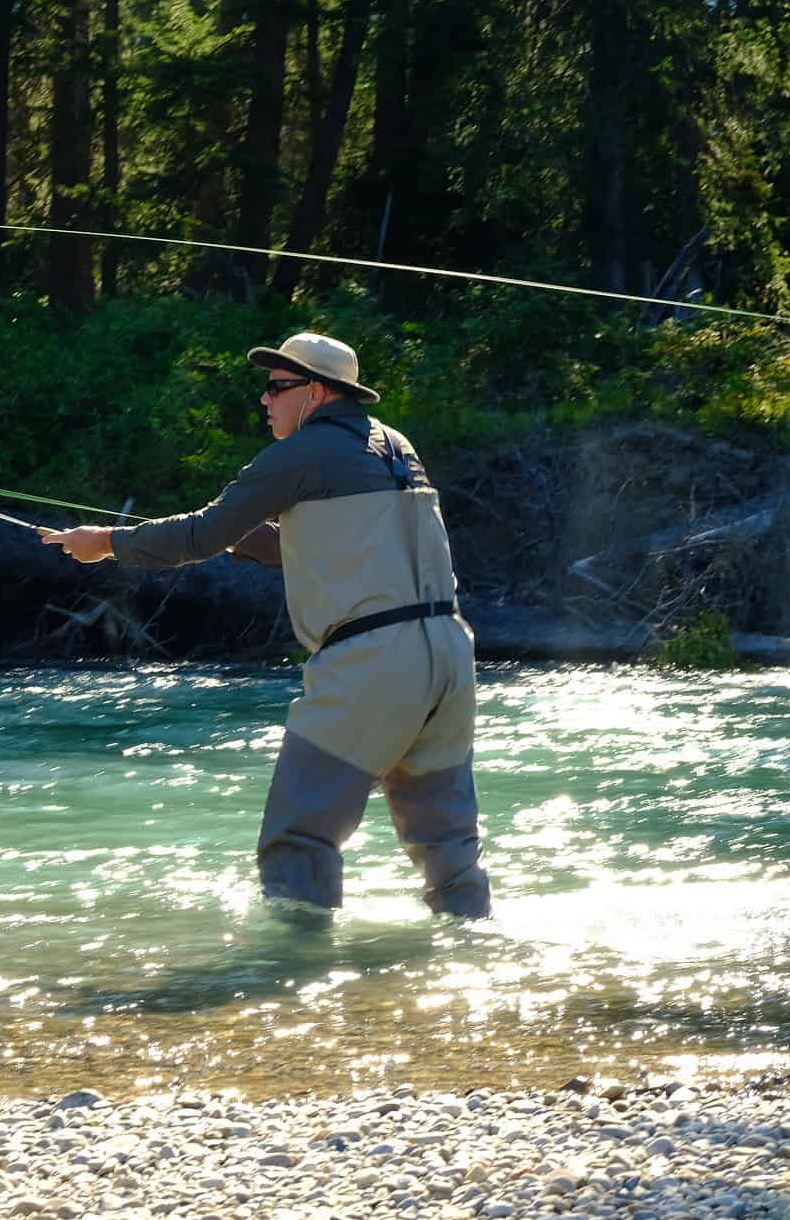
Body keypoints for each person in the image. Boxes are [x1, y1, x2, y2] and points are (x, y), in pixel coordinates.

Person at [42, 332, 490, 918]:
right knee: (449, 847)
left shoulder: (301, 452)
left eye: (279, 388)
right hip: (450, 658)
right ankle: (470, 948)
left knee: (299, 836)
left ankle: (292, 978)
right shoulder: (393, 446)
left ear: (319, 392)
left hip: (374, 662)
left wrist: (104, 542)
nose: (265, 400)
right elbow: (357, 542)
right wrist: (255, 543)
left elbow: (199, 534)